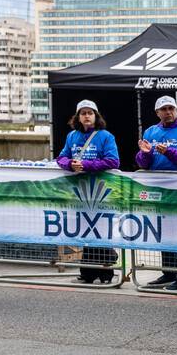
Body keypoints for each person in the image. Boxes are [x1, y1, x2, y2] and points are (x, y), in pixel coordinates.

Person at [136, 96, 177, 291]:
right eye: (164, 109)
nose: (168, 112)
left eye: (171, 108)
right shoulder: (150, 131)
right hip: (159, 190)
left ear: (176, 110)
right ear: (157, 113)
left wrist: (168, 152)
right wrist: (145, 153)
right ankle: (169, 272)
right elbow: (143, 163)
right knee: (164, 230)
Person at [56, 99, 121, 284]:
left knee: (101, 231)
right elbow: (61, 157)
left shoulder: (106, 136)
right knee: (86, 232)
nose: (86, 116)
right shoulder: (72, 136)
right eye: (83, 113)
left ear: (96, 116)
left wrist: (85, 165)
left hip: (102, 190)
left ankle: (106, 273)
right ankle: (87, 274)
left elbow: (113, 161)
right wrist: (69, 164)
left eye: (90, 113)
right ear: (78, 116)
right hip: (80, 191)